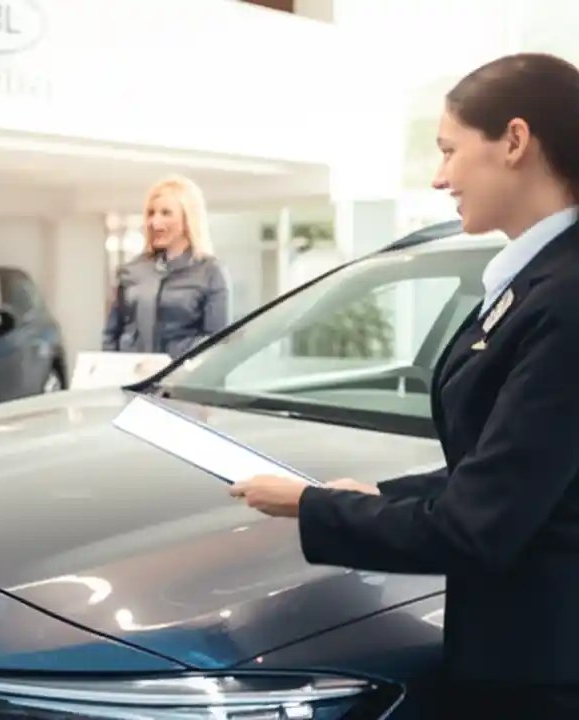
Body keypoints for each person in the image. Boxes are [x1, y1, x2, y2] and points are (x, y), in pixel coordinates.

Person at [230, 52, 579, 717]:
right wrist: (381, 494)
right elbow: (506, 470)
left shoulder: (564, 299)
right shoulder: (536, 283)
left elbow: (482, 525)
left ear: (513, 141)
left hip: (540, 674)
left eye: (449, 150)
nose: (440, 176)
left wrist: (312, 505)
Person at [102, 175, 230, 359]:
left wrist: (171, 360)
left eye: (166, 213)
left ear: (188, 218)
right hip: (130, 380)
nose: (155, 222)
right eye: (151, 213)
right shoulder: (130, 271)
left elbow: (217, 343)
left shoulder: (210, 272)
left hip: (180, 381)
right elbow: (111, 337)